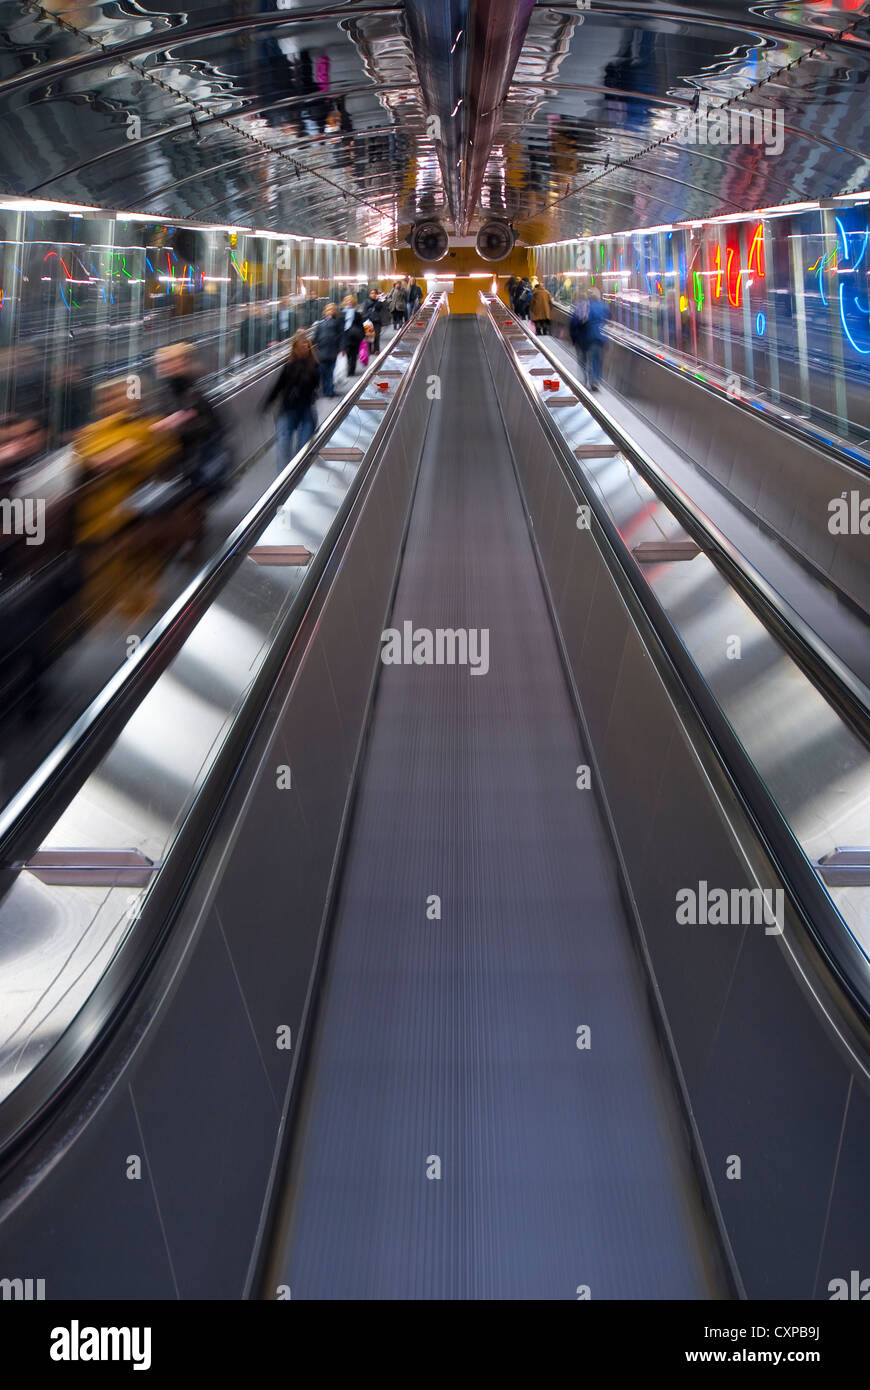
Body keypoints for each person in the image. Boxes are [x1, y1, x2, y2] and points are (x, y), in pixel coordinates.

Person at [264, 329, 320, 471]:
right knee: (283, 447)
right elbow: (278, 387)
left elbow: (314, 386)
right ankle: (284, 482)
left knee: (302, 450)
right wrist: (267, 403)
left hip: (305, 409)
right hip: (288, 409)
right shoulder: (289, 367)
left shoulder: (313, 366)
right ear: (294, 348)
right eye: (302, 346)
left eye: (306, 346)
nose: (305, 348)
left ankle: (296, 477)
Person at [581, 286, 610, 391]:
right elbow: (608, 317)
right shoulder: (603, 306)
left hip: (586, 335)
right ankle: (595, 380)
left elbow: (582, 320)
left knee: (586, 358)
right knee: (596, 358)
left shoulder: (586, 305)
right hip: (599, 336)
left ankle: (587, 378)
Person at [312, 302, 343, 397]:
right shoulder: (320, 324)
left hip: (332, 351)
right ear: (325, 312)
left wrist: (342, 348)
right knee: (324, 372)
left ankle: (329, 391)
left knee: (330, 372)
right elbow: (316, 337)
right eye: (328, 310)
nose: (329, 312)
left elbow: (341, 336)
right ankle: (327, 390)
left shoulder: (337, 323)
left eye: (331, 310)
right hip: (322, 352)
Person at [340, 294, 365, 376]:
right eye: (348, 301)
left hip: (354, 338)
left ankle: (351, 370)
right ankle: (346, 369)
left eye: (351, 301)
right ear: (345, 303)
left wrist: (362, 336)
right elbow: (339, 326)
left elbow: (361, 326)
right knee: (346, 354)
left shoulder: (357, 314)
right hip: (345, 337)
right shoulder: (341, 314)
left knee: (353, 355)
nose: (349, 303)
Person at [361, 287, 383, 354]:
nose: (373, 295)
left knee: (376, 336)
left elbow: (379, 307)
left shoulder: (379, 301)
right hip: (369, 321)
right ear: (369, 294)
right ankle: (369, 350)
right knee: (369, 335)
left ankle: (376, 350)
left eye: (374, 293)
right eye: (372, 293)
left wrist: (378, 300)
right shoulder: (367, 301)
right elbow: (365, 309)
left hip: (377, 320)